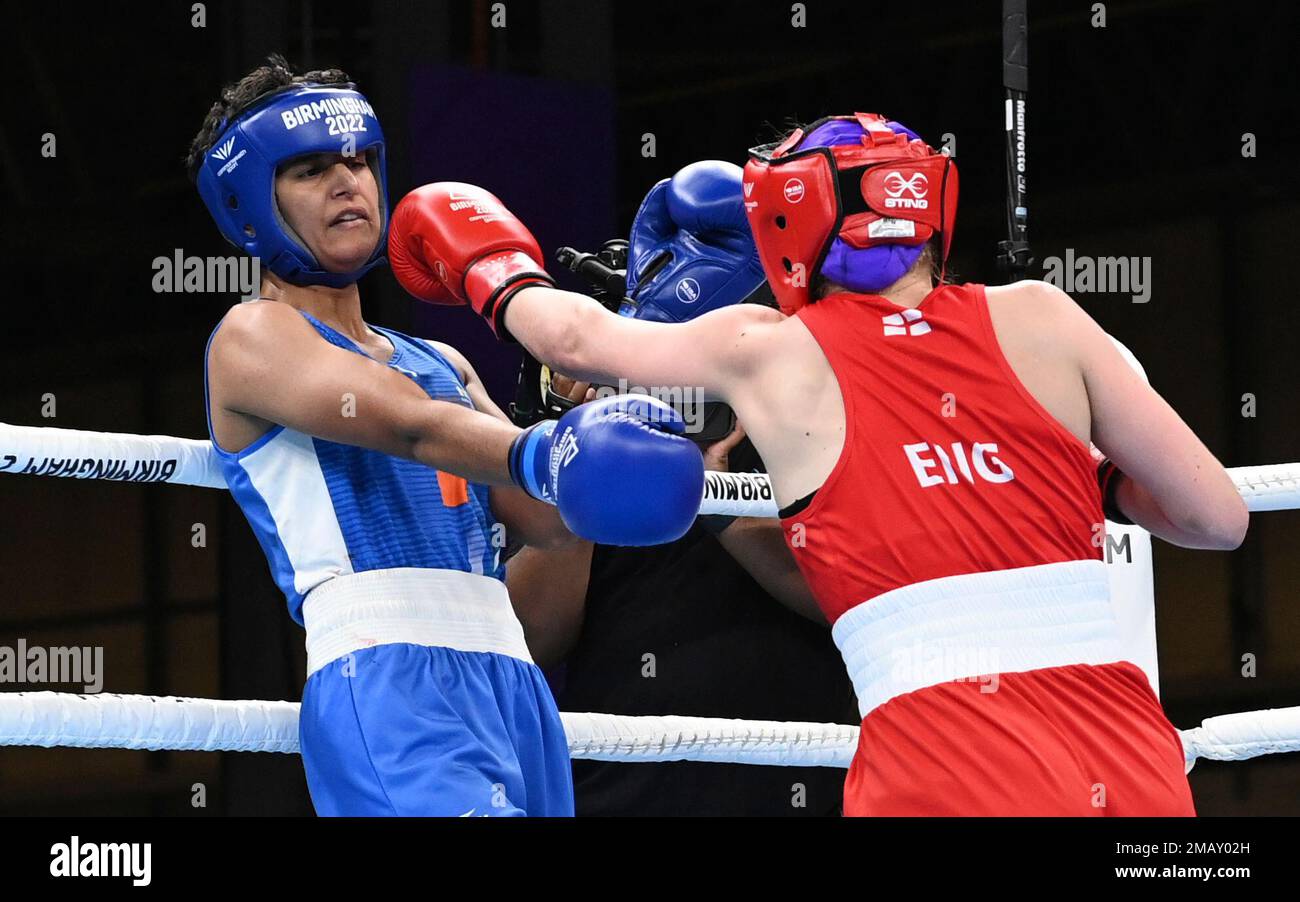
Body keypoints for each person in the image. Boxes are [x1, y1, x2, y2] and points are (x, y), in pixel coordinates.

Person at [386, 112, 1249, 816]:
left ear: (792, 218)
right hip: (1129, 761)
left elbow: (572, 336)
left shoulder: (770, 352)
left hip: (935, 763)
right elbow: (1219, 518)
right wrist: (1094, 485)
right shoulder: (1048, 318)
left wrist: (490, 268)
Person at [188, 56, 702, 816]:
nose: (348, 181)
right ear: (248, 203)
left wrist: (597, 412)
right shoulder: (251, 337)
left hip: (511, 676)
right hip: (384, 673)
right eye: (310, 168)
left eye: (360, 159)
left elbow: (550, 524)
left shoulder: (442, 363)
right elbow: (411, 427)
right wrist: (548, 452)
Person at [507, 162, 857, 816]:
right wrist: (581, 464)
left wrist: (705, 487)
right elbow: (526, 641)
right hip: (623, 794)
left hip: (799, 786)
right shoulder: (608, 418)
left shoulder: (832, 415)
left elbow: (847, 596)